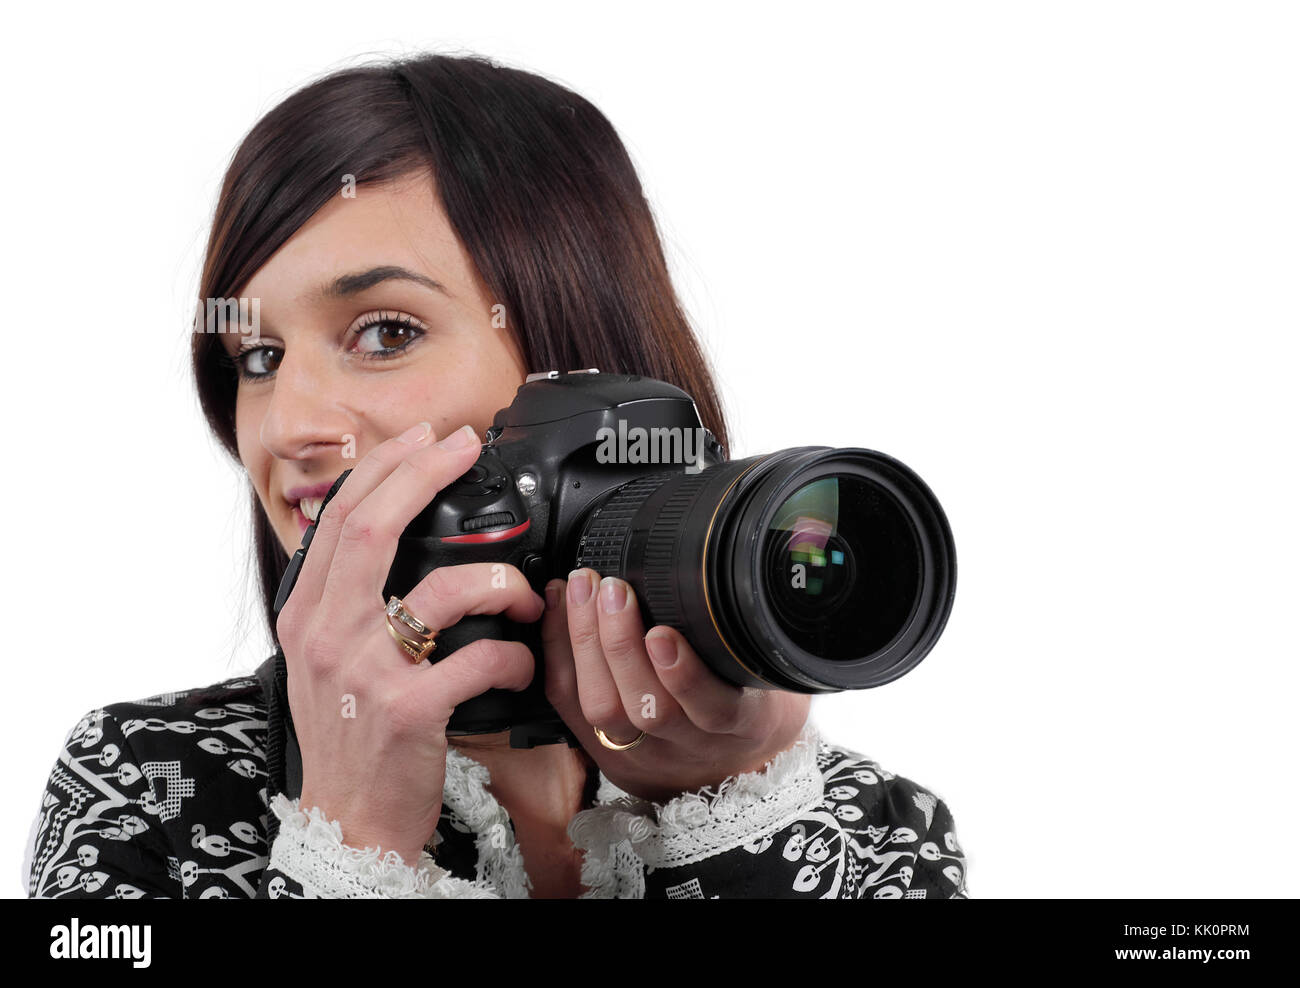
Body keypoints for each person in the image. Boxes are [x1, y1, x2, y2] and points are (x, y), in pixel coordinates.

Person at [24, 52, 969, 899]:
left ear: (582, 367)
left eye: (385, 333)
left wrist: (737, 827)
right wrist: (350, 845)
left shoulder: (864, 831)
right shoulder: (146, 784)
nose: (287, 427)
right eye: (258, 359)